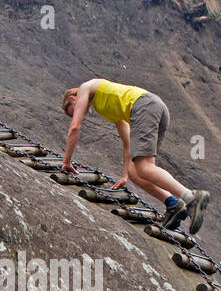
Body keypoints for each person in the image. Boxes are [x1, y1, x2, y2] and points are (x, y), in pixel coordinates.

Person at [61, 77, 209, 232]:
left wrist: (67, 161)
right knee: (135, 172)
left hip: (144, 107)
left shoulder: (87, 86)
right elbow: (128, 143)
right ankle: (173, 204)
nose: (79, 113)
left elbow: (75, 128)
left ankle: (191, 197)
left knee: (145, 167)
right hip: (154, 109)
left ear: (73, 98)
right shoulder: (106, 107)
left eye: (74, 109)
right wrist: (125, 175)